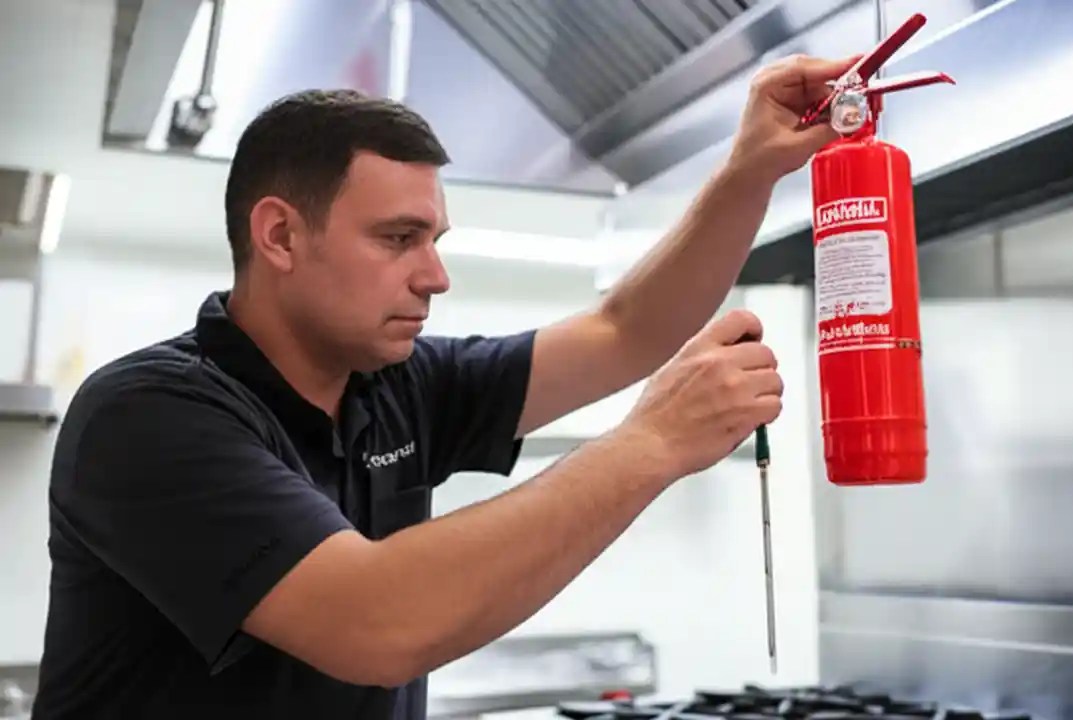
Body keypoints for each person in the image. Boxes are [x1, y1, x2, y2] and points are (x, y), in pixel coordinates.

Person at [33, 51, 857, 719]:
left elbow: (626, 332)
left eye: (435, 239)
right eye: (399, 238)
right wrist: (651, 443)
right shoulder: (148, 415)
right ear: (280, 234)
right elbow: (376, 622)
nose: (435, 277)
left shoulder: (397, 383)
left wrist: (751, 169)